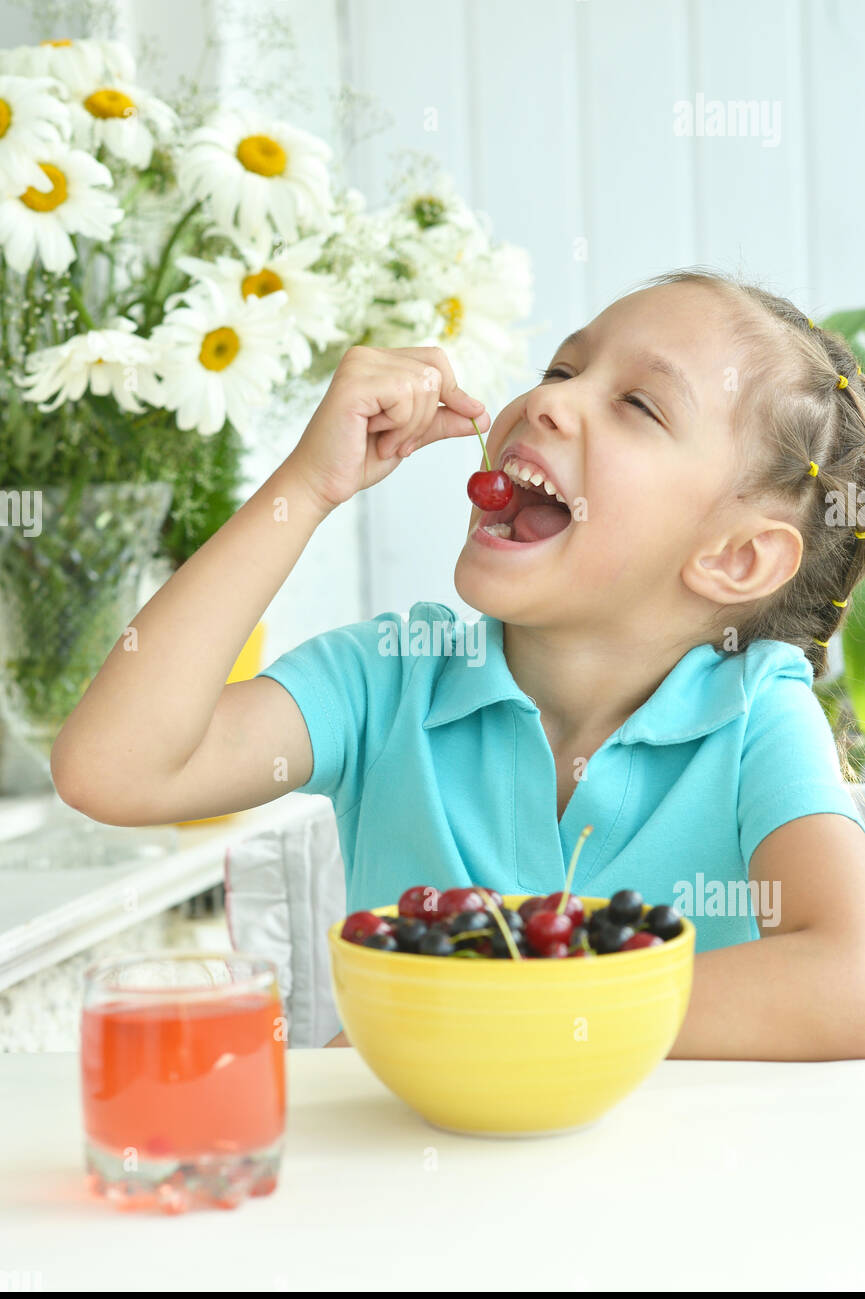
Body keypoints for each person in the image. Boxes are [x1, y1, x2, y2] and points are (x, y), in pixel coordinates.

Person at [51, 267, 865, 1060]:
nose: (547, 398)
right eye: (563, 368)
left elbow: (847, 977)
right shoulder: (388, 679)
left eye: (637, 405)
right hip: (408, 1192)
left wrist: (491, 1024)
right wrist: (307, 485)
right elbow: (114, 771)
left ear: (736, 559)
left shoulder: (755, 710)